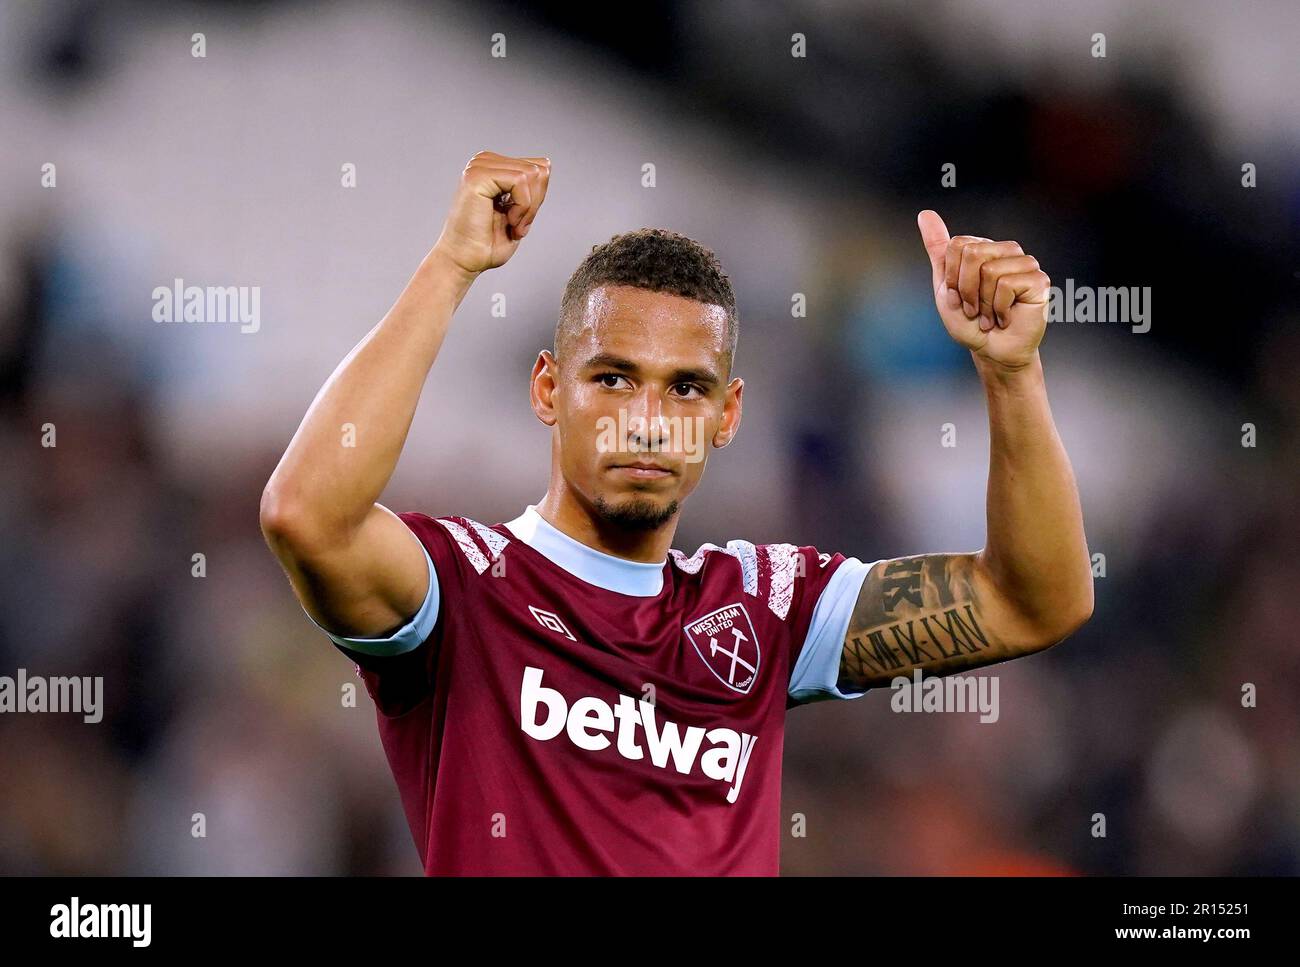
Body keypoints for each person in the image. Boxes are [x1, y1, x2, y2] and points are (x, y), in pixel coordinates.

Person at [259, 151, 1093, 875]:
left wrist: (1012, 375)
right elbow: (308, 515)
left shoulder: (767, 608)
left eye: (685, 387)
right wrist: (452, 265)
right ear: (550, 389)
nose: (647, 417)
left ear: (727, 416)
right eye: (614, 377)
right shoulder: (463, 590)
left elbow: (1034, 600)